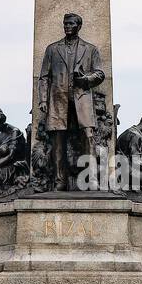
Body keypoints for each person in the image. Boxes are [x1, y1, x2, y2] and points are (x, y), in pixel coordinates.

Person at [36, 12, 106, 190]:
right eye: (65, 23)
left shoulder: (90, 49)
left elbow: (100, 73)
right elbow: (44, 77)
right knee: (58, 141)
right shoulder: (52, 49)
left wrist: (86, 79)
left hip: (81, 98)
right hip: (58, 100)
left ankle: (92, 179)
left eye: (71, 24)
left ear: (79, 26)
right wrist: (43, 100)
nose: (67, 26)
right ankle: (60, 181)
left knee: (88, 137)